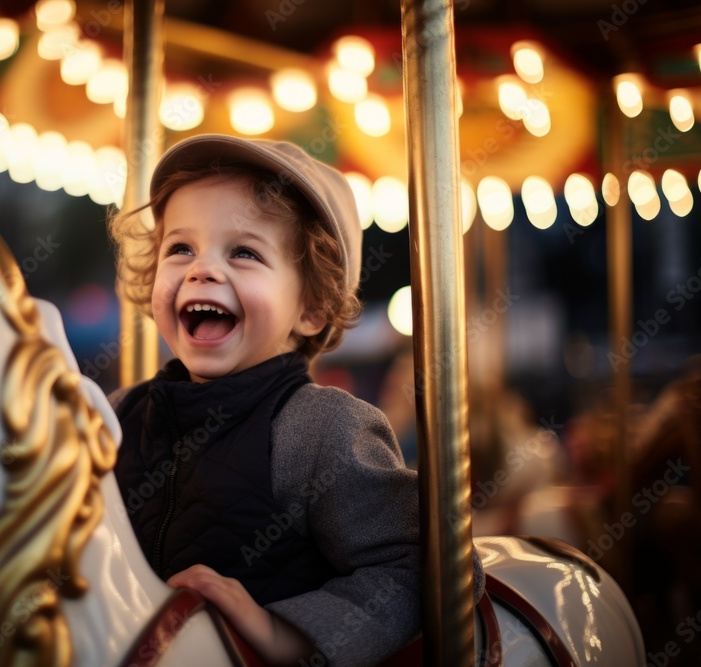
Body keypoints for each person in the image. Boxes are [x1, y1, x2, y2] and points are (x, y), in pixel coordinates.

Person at [108, 134, 483, 666]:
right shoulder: (120, 414)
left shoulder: (318, 427)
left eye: (243, 252)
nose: (202, 269)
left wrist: (283, 632)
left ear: (311, 309)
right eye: (180, 248)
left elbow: (422, 567)